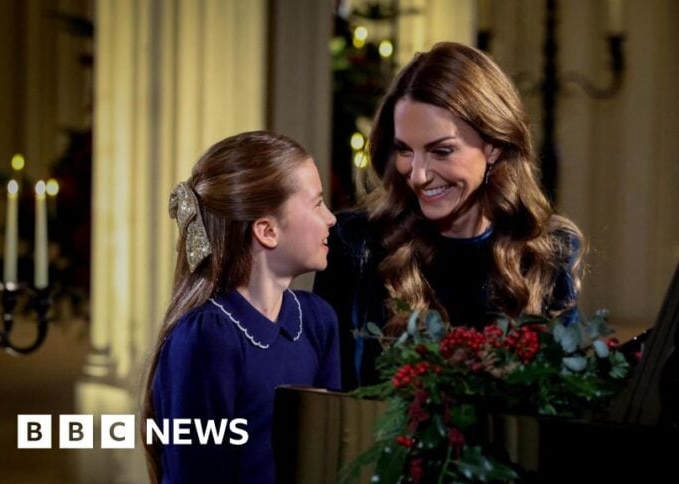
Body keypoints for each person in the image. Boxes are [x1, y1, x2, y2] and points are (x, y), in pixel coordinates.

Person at [314, 42, 585, 390]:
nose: (418, 175)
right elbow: (328, 396)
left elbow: (565, 398)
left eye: (441, 151)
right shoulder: (356, 244)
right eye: (404, 150)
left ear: (494, 145)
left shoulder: (546, 251)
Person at [142, 131, 340, 483]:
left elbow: (328, 458)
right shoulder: (207, 338)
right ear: (267, 230)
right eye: (317, 203)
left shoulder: (317, 320)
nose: (331, 218)